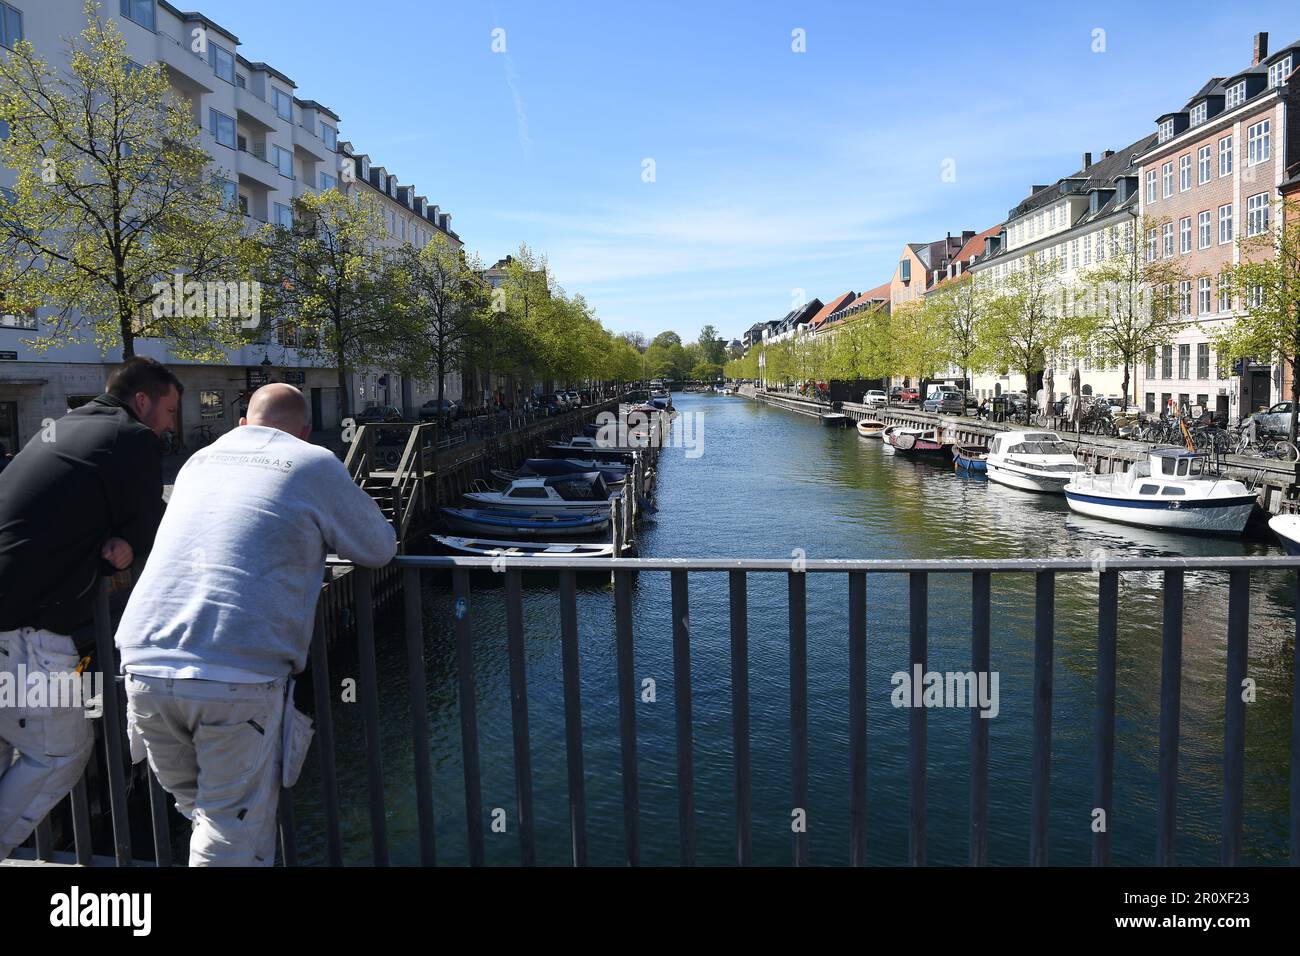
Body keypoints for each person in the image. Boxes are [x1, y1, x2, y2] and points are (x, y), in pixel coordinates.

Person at [115, 383, 397, 866]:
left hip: (143, 663)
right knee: (230, 831)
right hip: (233, 669)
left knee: (207, 816)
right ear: (305, 432)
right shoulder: (313, 461)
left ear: (241, 424)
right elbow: (378, 547)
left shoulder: (199, 461)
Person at [0, 357, 178, 860]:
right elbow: (152, 523)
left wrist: (114, 540)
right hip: (27, 628)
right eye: (168, 410)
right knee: (62, 751)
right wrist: (127, 540)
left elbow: (64, 513)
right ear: (142, 400)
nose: (170, 424)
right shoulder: (133, 437)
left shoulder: (68, 427)